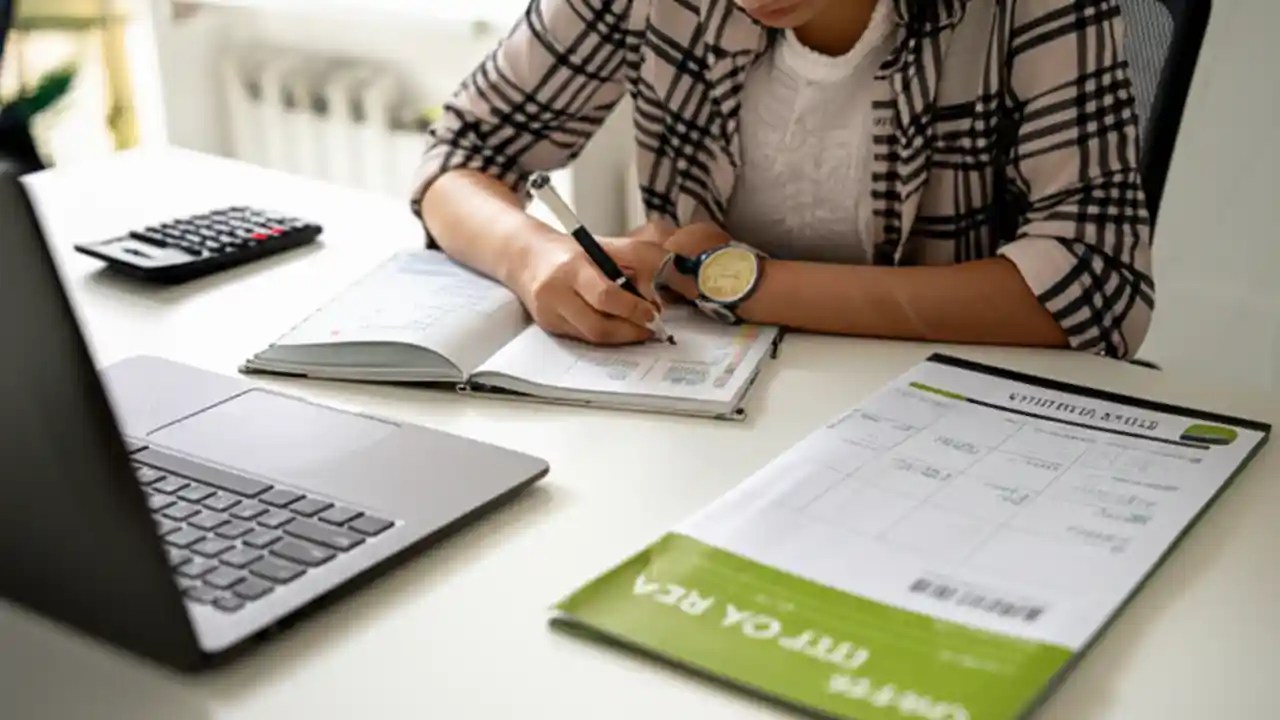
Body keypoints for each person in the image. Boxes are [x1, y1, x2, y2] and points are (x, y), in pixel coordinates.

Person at [411, 0, 1152, 359]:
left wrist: (726, 280)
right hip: (711, 418)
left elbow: (1097, 283)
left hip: (946, 423)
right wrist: (536, 257)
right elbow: (460, 154)